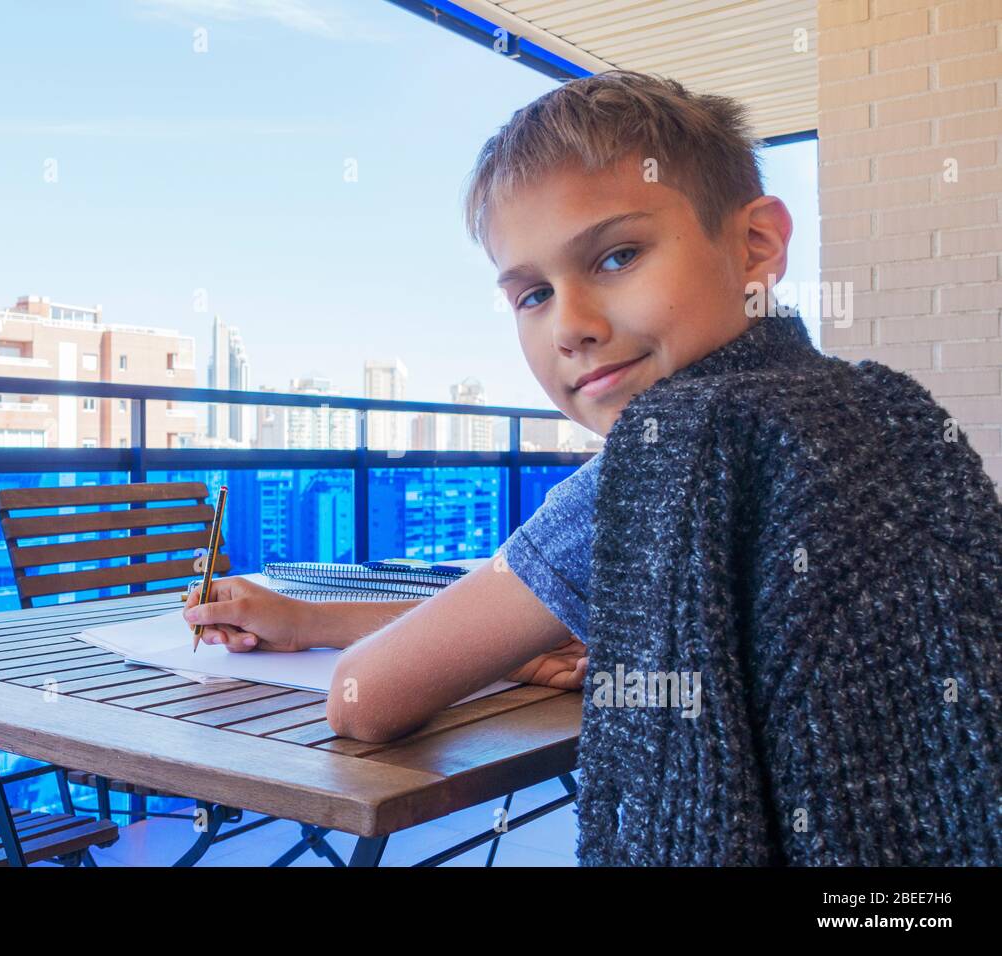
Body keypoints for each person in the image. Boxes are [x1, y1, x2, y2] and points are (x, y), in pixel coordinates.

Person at [185, 70, 1002, 865]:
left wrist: (343, 641)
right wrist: (305, 619)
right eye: (532, 295)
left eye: (616, 257)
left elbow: (364, 698)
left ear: (756, 245)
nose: (570, 325)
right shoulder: (877, 412)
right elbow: (507, 621)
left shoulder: (674, 452)